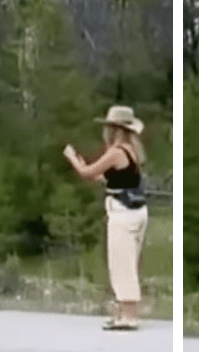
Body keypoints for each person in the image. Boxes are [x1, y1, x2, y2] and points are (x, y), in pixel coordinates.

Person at [63, 105, 149, 331]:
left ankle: (129, 316)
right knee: (129, 262)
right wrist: (87, 167)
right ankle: (123, 312)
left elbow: (87, 173)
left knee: (122, 265)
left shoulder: (116, 152)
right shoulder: (132, 151)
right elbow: (106, 177)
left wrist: (73, 158)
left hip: (122, 213)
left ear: (114, 129)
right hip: (137, 211)